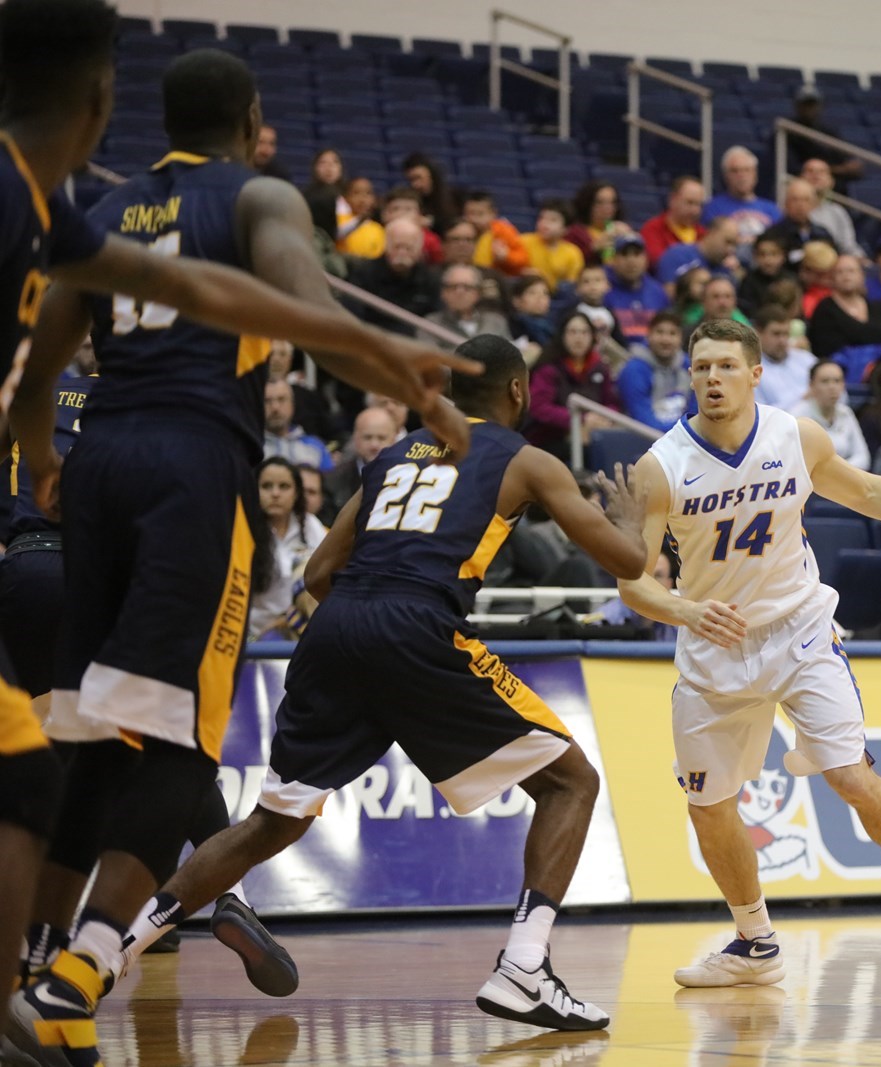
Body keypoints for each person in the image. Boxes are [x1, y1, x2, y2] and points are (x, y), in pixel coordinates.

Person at [0, 37, 476, 1054]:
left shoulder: (105, 207)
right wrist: (391, 363)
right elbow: (303, 295)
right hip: (190, 467)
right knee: (180, 742)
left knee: (86, 734)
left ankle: (33, 968)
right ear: (253, 119)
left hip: (94, 467)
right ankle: (80, 973)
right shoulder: (260, 197)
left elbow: (39, 375)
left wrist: (44, 460)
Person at [97, 336, 650, 1036]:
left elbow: (318, 573)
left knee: (273, 820)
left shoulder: (395, 454)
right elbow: (625, 561)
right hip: (418, 624)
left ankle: (104, 956)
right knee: (571, 783)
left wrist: (367, 633)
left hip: (338, 628)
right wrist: (636, 519)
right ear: (517, 393)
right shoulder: (528, 459)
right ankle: (523, 967)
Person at [616, 319, 881, 989]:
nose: (711, 378)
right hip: (714, 645)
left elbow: (870, 491)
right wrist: (684, 609)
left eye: (726, 366)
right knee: (709, 804)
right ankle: (754, 941)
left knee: (849, 773)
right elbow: (633, 578)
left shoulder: (796, 436)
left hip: (799, 629)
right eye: (701, 367)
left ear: (756, 373)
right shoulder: (661, 466)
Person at [247, 457, 327, 640]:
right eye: (266, 486)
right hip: (254, 634)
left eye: (284, 487)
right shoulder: (243, 529)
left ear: (297, 493)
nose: (275, 494)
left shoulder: (310, 525)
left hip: (301, 627)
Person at [524, 311, 620, 455]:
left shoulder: (600, 367)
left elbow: (613, 403)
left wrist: (602, 418)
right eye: (572, 332)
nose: (578, 338)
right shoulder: (548, 367)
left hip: (593, 432)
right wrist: (580, 419)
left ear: (593, 337)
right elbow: (539, 408)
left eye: (584, 332)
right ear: (562, 335)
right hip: (549, 441)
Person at [617, 310, 693, 433]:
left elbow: (695, 414)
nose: (665, 339)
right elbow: (643, 421)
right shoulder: (633, 370)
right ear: (649, 335)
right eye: (659, 332)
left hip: (683, 438)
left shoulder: (689, 367)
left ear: (681, 339)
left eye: (672, 333)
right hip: (644, 441)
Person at [704, 147, 779, 263]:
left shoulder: (772, 209)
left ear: (755, 174)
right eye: (735, 171)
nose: (741, 175)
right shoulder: (713, 207)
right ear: (725, 176)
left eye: (746, 170)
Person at [789, 359, 869, 469]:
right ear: (811, 385)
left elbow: (863, 457)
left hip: (847, 479)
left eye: (837, 381)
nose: (832, 387)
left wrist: (842, 472)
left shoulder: (846, 413)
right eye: (825, 381)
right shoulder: (797, 417)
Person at [603, 233, 671, 351]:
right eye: (624, 254)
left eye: (636, 254)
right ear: (614, 260)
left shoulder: (658, 292)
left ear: (646, 259)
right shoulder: (603, 289)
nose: (631, 261)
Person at [261, 376, 334, 472]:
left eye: (281, 399)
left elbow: (329, 484)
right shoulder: (250, 447)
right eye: (267, 401)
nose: (275, 407)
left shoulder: (316, 447)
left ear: (293, 404)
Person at [751, 307, 817, 411]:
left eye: (786, 334)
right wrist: (802, 399)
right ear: (758, 334)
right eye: (776, 334)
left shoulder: (806, 360)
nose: (782, 340)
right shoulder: (752, 371)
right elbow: (760, 414)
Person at [800, 158, 862, 258]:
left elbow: (849, 247)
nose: (816, 176)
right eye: (810, 171)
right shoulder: (788, 208)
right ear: (801, 178)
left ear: (831, 181)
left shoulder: (838, 212)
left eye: (821, 172)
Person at [640, 176, 707, 268]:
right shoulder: (653, 229)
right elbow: (660, 264)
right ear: (672, 199)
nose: (696, 211)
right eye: (690, 203)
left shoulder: (702, 233)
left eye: (699, 205)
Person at [566, 180, 633, 266]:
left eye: (612, 202)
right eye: (600, 202)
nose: (607, 208)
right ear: (588, 204)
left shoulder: (621, 229)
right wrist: (594, 248)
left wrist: (630, 238)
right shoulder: (575, 233)